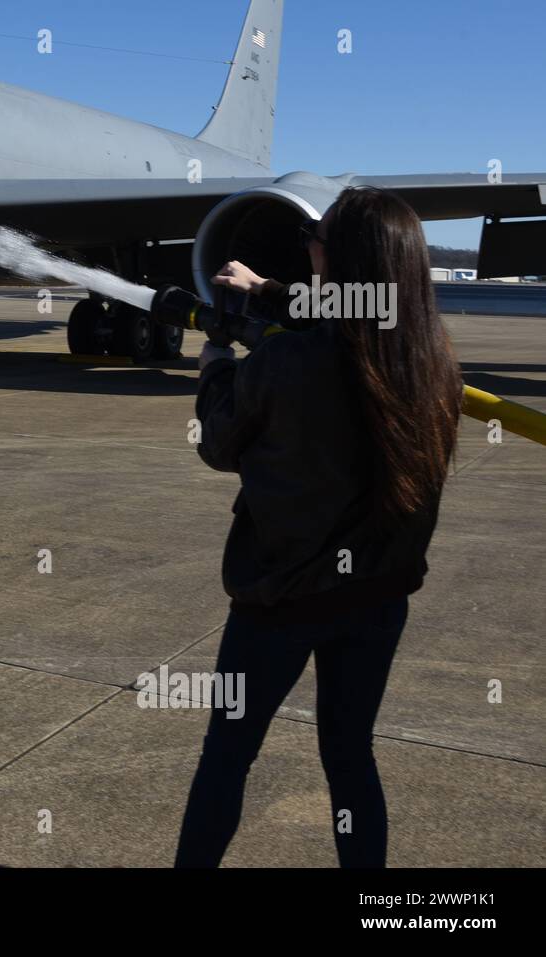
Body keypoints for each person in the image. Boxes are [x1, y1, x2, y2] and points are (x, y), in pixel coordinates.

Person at [175, 187, 464, 867]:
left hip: (279, 598)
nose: (307, 247)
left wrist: (217, 360)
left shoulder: (285, 362)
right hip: (377, 597)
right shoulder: (431, 360)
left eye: (318, 239)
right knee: (349, 756)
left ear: (340, 259)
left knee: (228, 755)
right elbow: (346, 319)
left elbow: (218, 443)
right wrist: (268, 290)